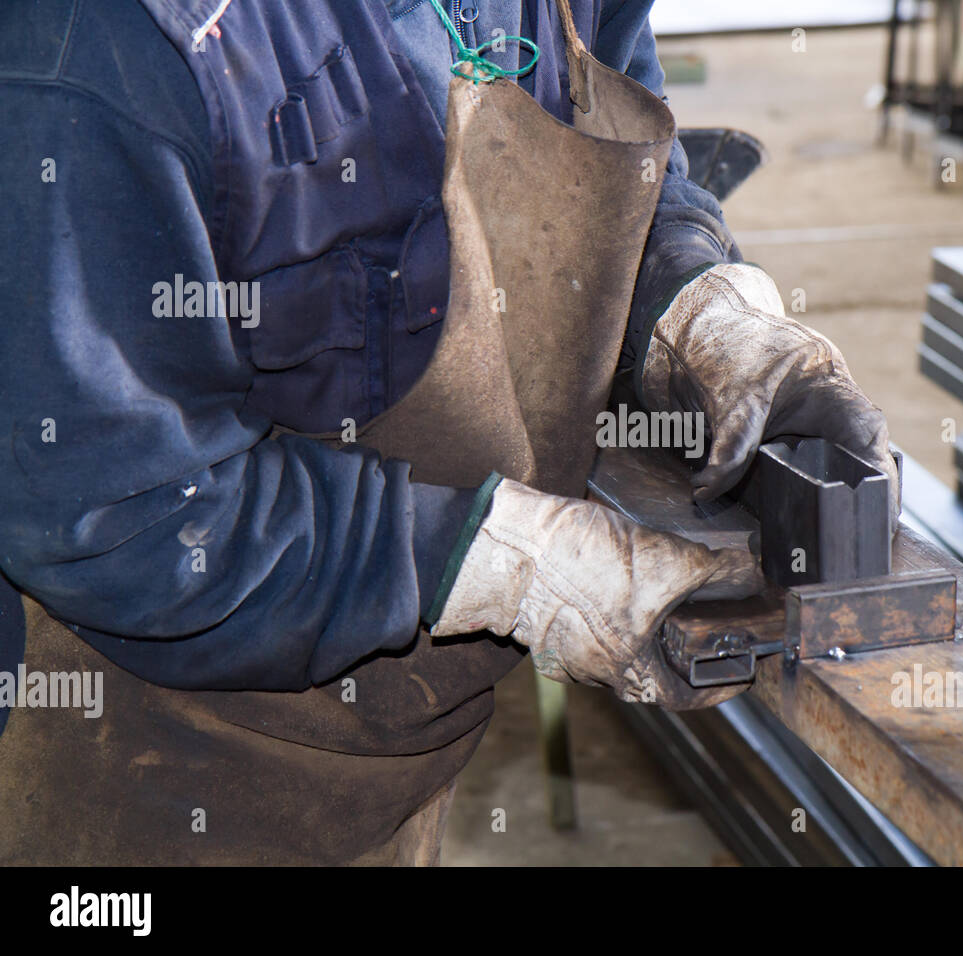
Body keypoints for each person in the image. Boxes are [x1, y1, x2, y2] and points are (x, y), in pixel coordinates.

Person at [0, 0, 897, 864]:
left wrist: (698, 306)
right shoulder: (96, 48)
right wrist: (496, 564)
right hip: (147, 776)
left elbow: (608, 104)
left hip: (405, 749)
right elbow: (126, 514)